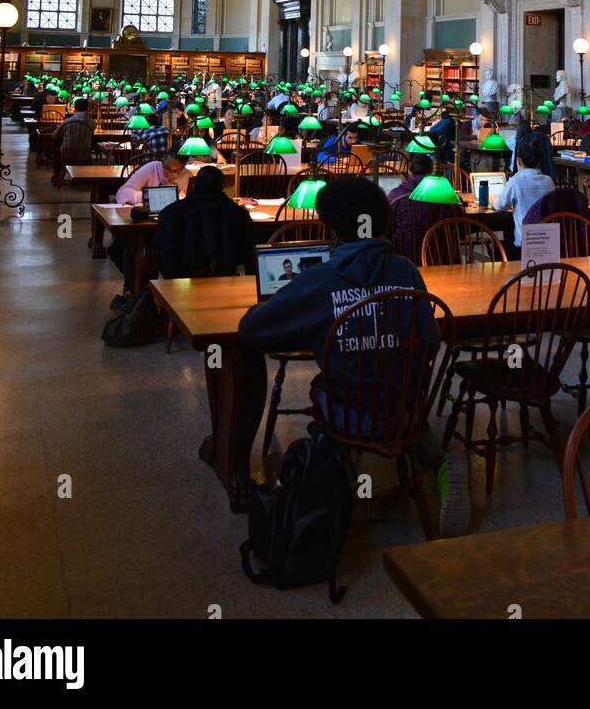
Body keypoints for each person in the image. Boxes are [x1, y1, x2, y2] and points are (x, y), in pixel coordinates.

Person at [238, 175, 468, 534]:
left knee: (325, 387)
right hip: (405, 408)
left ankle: (336, 472)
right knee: (391, 388)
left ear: (330, 228)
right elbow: (430, 340)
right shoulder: (407, 271)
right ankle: (436, 460)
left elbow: (250, 330)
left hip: (351, 414)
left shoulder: (319, 280)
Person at [156, 165, 255, 279]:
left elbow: (163, 244)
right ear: (223, 187)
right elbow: (248, 250)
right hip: (226, 279)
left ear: (194, 185)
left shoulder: (171, 211)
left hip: (181, 279)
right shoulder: (238, 213)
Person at [497, 138, 555, 246]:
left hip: (524, 245)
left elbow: (500, 205)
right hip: (546, 243)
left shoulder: (516, 181)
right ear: (539, 162)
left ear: (518, 161)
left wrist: (493, 201)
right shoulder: (549, 181)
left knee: (498, 246)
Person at [115, 153, 190, 205]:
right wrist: (150, 196)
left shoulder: (186, 175)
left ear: (182, 168)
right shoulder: (151, 168)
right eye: (166, 168)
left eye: (175, 171)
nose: (169, 174)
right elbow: (121, 194)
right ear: (163, 161)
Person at [50, 96, 94, 186]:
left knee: (55, 150)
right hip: (84, 153)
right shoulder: (92, 123)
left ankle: (56, 176)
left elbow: (54, 136)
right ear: (87, 108)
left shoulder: (67, 121)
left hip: (67, 153)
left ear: (75, 108)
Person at [511, 114, 556, 180]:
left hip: (521, 175)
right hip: (544, 173)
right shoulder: (549, 182)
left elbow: (514, 165)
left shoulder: (518, 142)